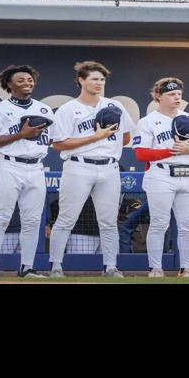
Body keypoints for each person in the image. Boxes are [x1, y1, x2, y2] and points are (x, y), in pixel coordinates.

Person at [48, 61, 134, 277]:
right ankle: (56, 266)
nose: (99, 83)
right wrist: (95, 138)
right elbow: (58, 144)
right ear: (81, 80)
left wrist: (104, 142)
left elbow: (125, 137)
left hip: (109, 167)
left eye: (102, 79)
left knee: (108, 221)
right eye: (94, 79)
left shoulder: (114, 105)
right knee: (67, 218)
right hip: (79, 165)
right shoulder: (68, 109)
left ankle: (111, 266)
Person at [0, 64, 55, 278]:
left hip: (36, 167)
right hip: (8, 165)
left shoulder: (44, 109)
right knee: (1, 217)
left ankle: (26, 267)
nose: (27, 83)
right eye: (21, 80)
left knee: (32, 220)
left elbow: (53, 138)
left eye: (30, 80)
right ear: (9, 84)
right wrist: (20, 135)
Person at [131, 77, 189, 277]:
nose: (177, 98)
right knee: (159, 222)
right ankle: (156, 268)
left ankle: (187, 268)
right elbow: (140, 154)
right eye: (171, 94)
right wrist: (171, 151)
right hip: (161, 174)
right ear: (158, 96)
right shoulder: (148, 121)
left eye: (179, 94)